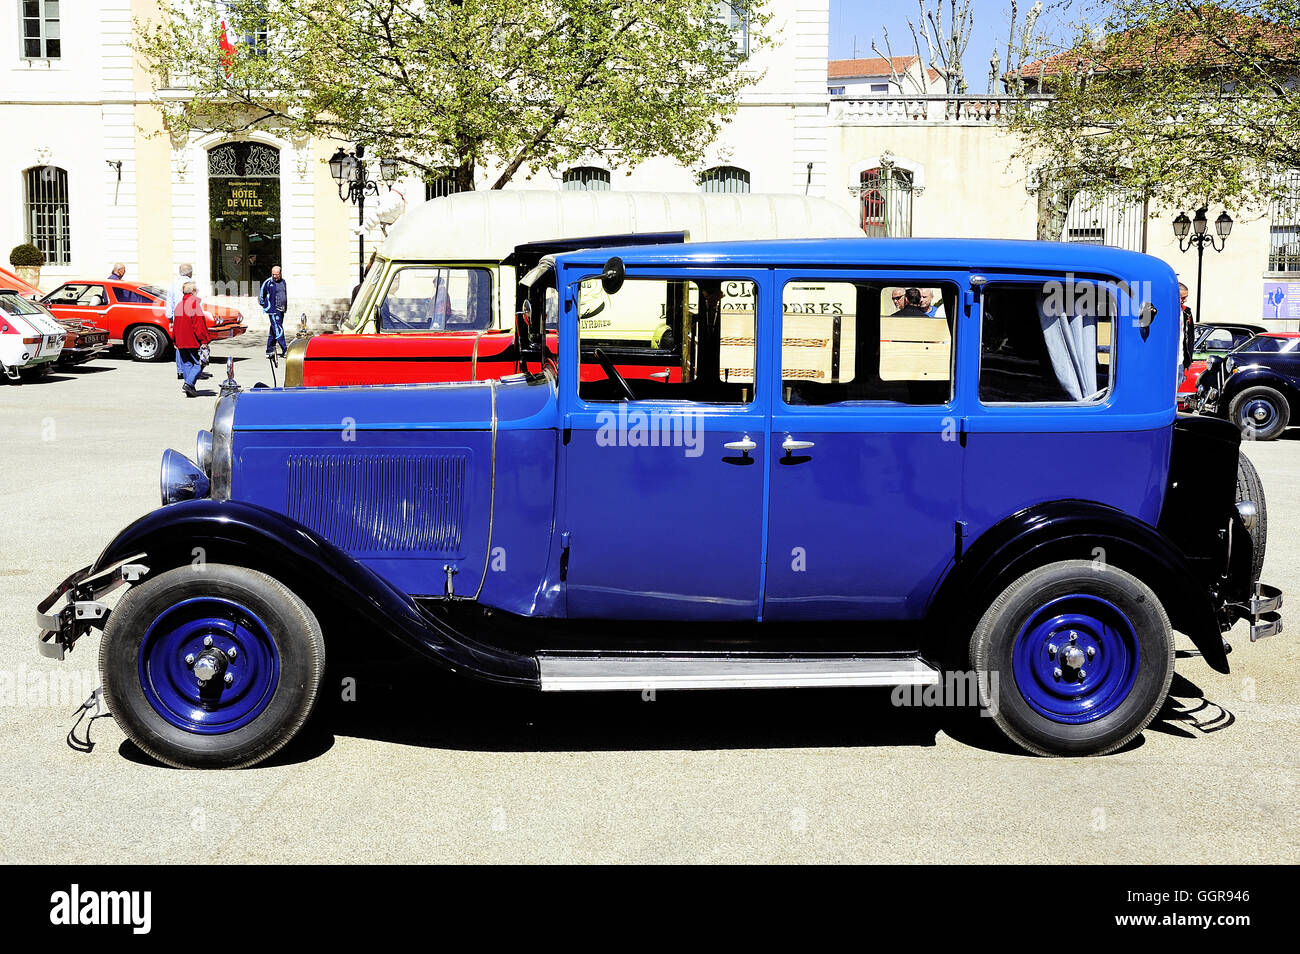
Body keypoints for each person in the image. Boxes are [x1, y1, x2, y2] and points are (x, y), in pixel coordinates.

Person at [173, 281, 212, 397]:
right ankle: (189, 384)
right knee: (200, 362)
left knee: (187, 363)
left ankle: (190, 388)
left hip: (181, 340)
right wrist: (204, 340)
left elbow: (175, 325)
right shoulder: (194, 304)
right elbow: (199, 325)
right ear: (193, 292)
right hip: (192, 340)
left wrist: (174, 340)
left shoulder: (180, 304)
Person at [166, 264, 194, 380]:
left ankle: (180, 370)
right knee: (191, 342)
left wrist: (170, 318)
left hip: (177, 316)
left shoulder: (173, 285)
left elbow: (169, 302)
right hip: (190, 316)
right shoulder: (193, 284)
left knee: (179, 343)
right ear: (190, 273)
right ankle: (190, 368)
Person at [259, 264, 288, 357]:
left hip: (281, 309)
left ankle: (269, 350)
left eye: (277, 274)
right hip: (273, 310)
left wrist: (284, 307)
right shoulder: (268, 282)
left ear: (280, 273)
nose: (275, 276)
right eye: (273, 274)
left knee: (273, 329)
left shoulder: (283, 282)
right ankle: (285, 349)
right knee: (278, 329)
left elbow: (284, 294)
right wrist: (267, 306)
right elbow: (261, 296)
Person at [1179, 282, 1195, 369]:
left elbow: (1191, 336)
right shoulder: (1167, 313)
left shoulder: (1187, 312)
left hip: (1181, 361)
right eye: (1183, 297)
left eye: (1186, 297)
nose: (1185, 300)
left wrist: (1189, 359)